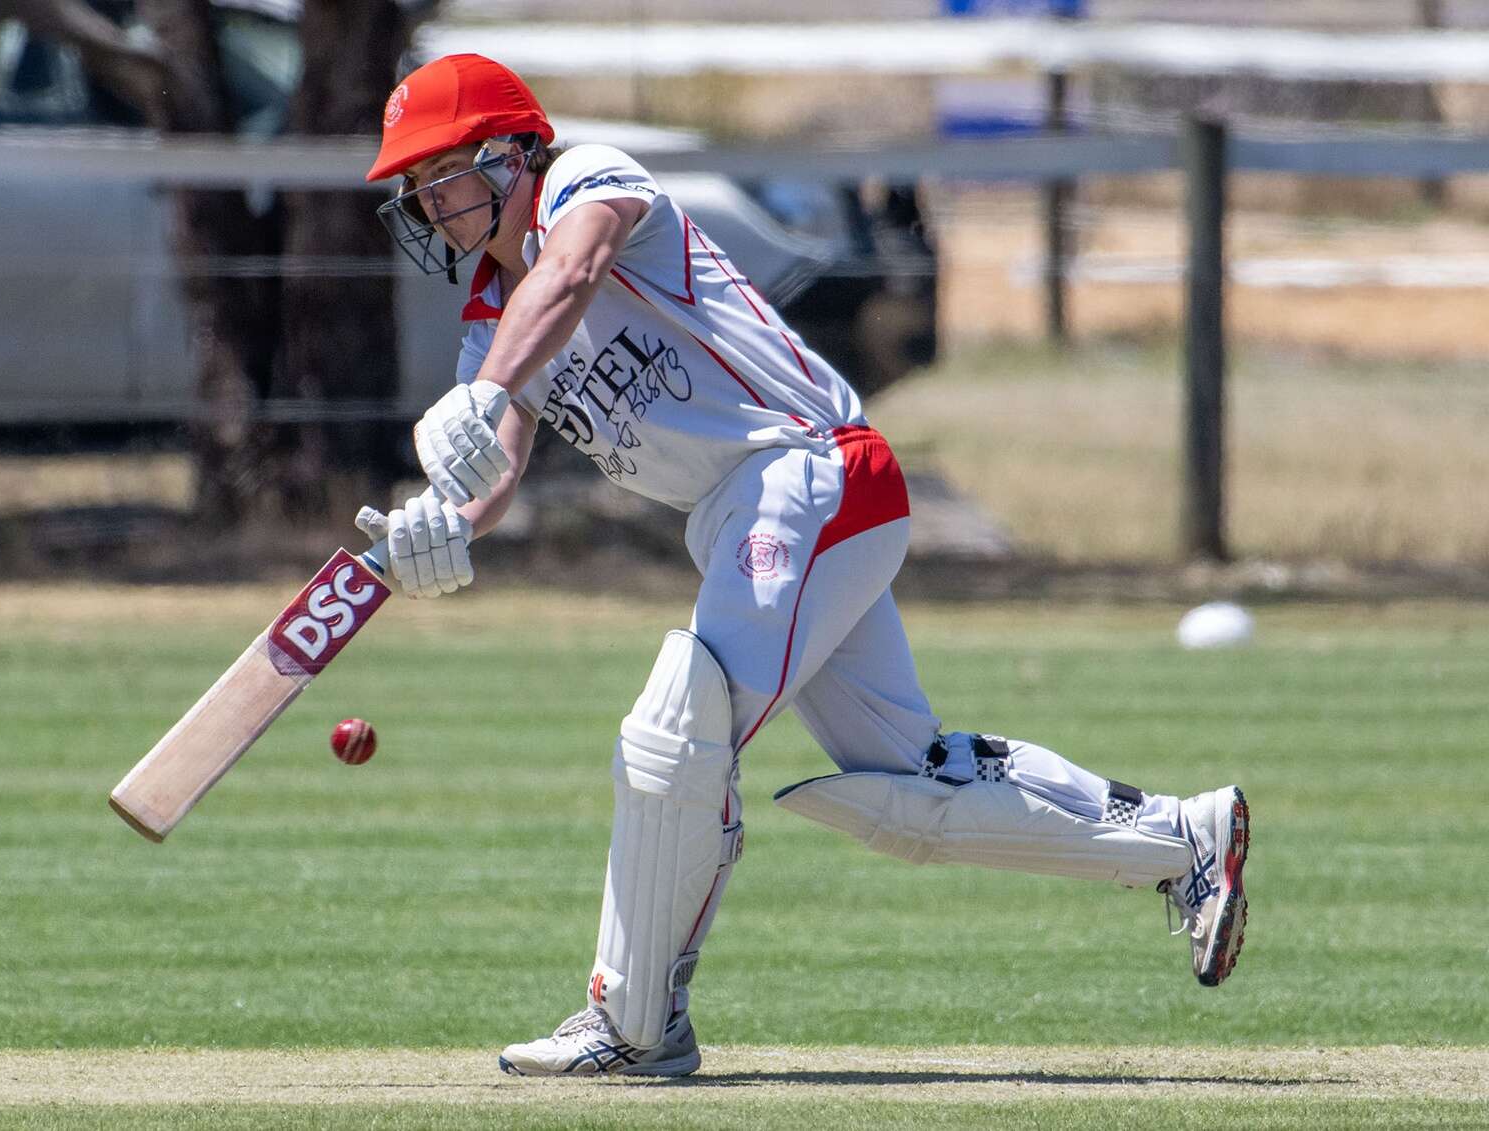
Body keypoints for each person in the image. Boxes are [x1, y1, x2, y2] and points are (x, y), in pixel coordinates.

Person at [359, 53, 1250, 1078]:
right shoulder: (489, 313)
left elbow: (570, 274)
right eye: (415, 189)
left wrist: (491, 391)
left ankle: (637, 1024)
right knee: (911, 792)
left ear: (509, 155)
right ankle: (1186, 840)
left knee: (676, 729)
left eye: (440, 177)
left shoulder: (586, 178)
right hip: (758, 515)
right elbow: (496, 456)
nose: (426, 207)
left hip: (807, 474)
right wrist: (443, 526)